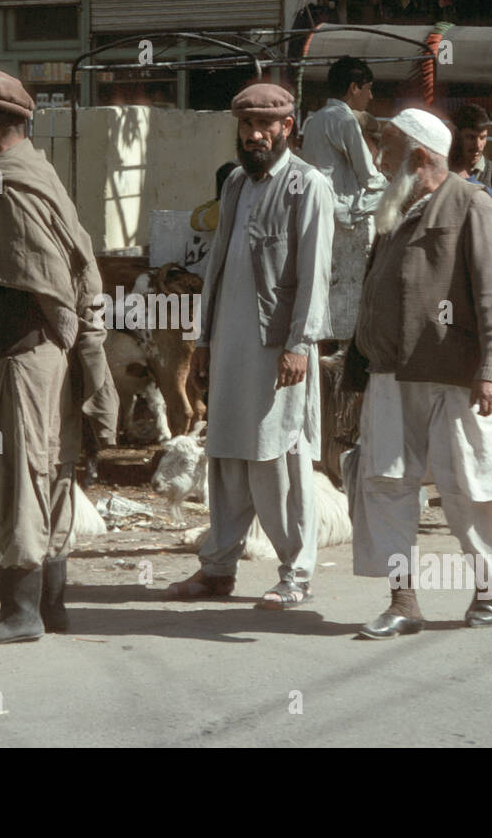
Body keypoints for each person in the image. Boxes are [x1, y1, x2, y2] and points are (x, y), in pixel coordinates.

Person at [0, 69, 118, 645]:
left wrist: (67, 337)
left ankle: (21, 614)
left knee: (17, 476)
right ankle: (52, 606)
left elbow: (50, 278)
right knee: (48, 470)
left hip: (21, 355)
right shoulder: (36, 171)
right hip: (40, 355)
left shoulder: (5, 183)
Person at [347, 108, 492, 639]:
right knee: (386, 484)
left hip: (454, 374)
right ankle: (403, 601)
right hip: (391, 374)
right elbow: (376, 293)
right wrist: (355, 370)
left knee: (469, 484)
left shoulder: (473, 205)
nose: (378, 156)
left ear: (419, 156)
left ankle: (489, 585)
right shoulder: (396, 208)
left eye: (388, 145)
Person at [164, 83, 335, 609]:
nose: (255, 135)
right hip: (229, 347)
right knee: (226, 457)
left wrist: (299, 344)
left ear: (288, 128)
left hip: (276, 348)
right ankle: (217, 569)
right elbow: (216, 268)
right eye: (247, 126)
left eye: (266, 126)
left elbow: (315, 276)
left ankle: (295, 575)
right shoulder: (238, 182)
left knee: (278, 459)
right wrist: (206, 341)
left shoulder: (308, 186)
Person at [299, 56, 388, 239]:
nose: (370, 96)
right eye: (368, 89)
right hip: (340, 208)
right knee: (396, 195)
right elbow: (369, 177)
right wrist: (395, 186)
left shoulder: (315, 119)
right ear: (354, 88)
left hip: (316, 204)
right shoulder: (345, 120)